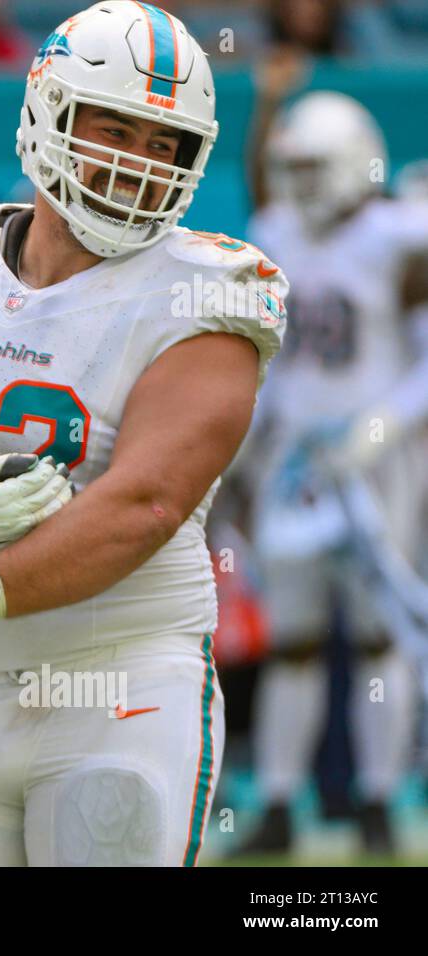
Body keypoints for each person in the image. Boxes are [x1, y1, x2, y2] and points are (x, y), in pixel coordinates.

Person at [0, 2, 288, 866]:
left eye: (165, 145)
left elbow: (143, 507)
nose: (138, 164)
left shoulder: (210, 289)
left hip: (124, 686)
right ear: (47, 110)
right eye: (117, 128)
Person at [236, 92, 428, 856]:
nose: (302, 183)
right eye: (294, 167)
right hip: (298, 463)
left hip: (379, 463)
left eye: (315, 166)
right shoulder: (275, 232)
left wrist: (377, 430)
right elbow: (272, 366)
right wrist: (252, 456)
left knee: (381, 639)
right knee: (295, 639)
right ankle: (282, 804)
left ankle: (381, 800)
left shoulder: (401, 237)